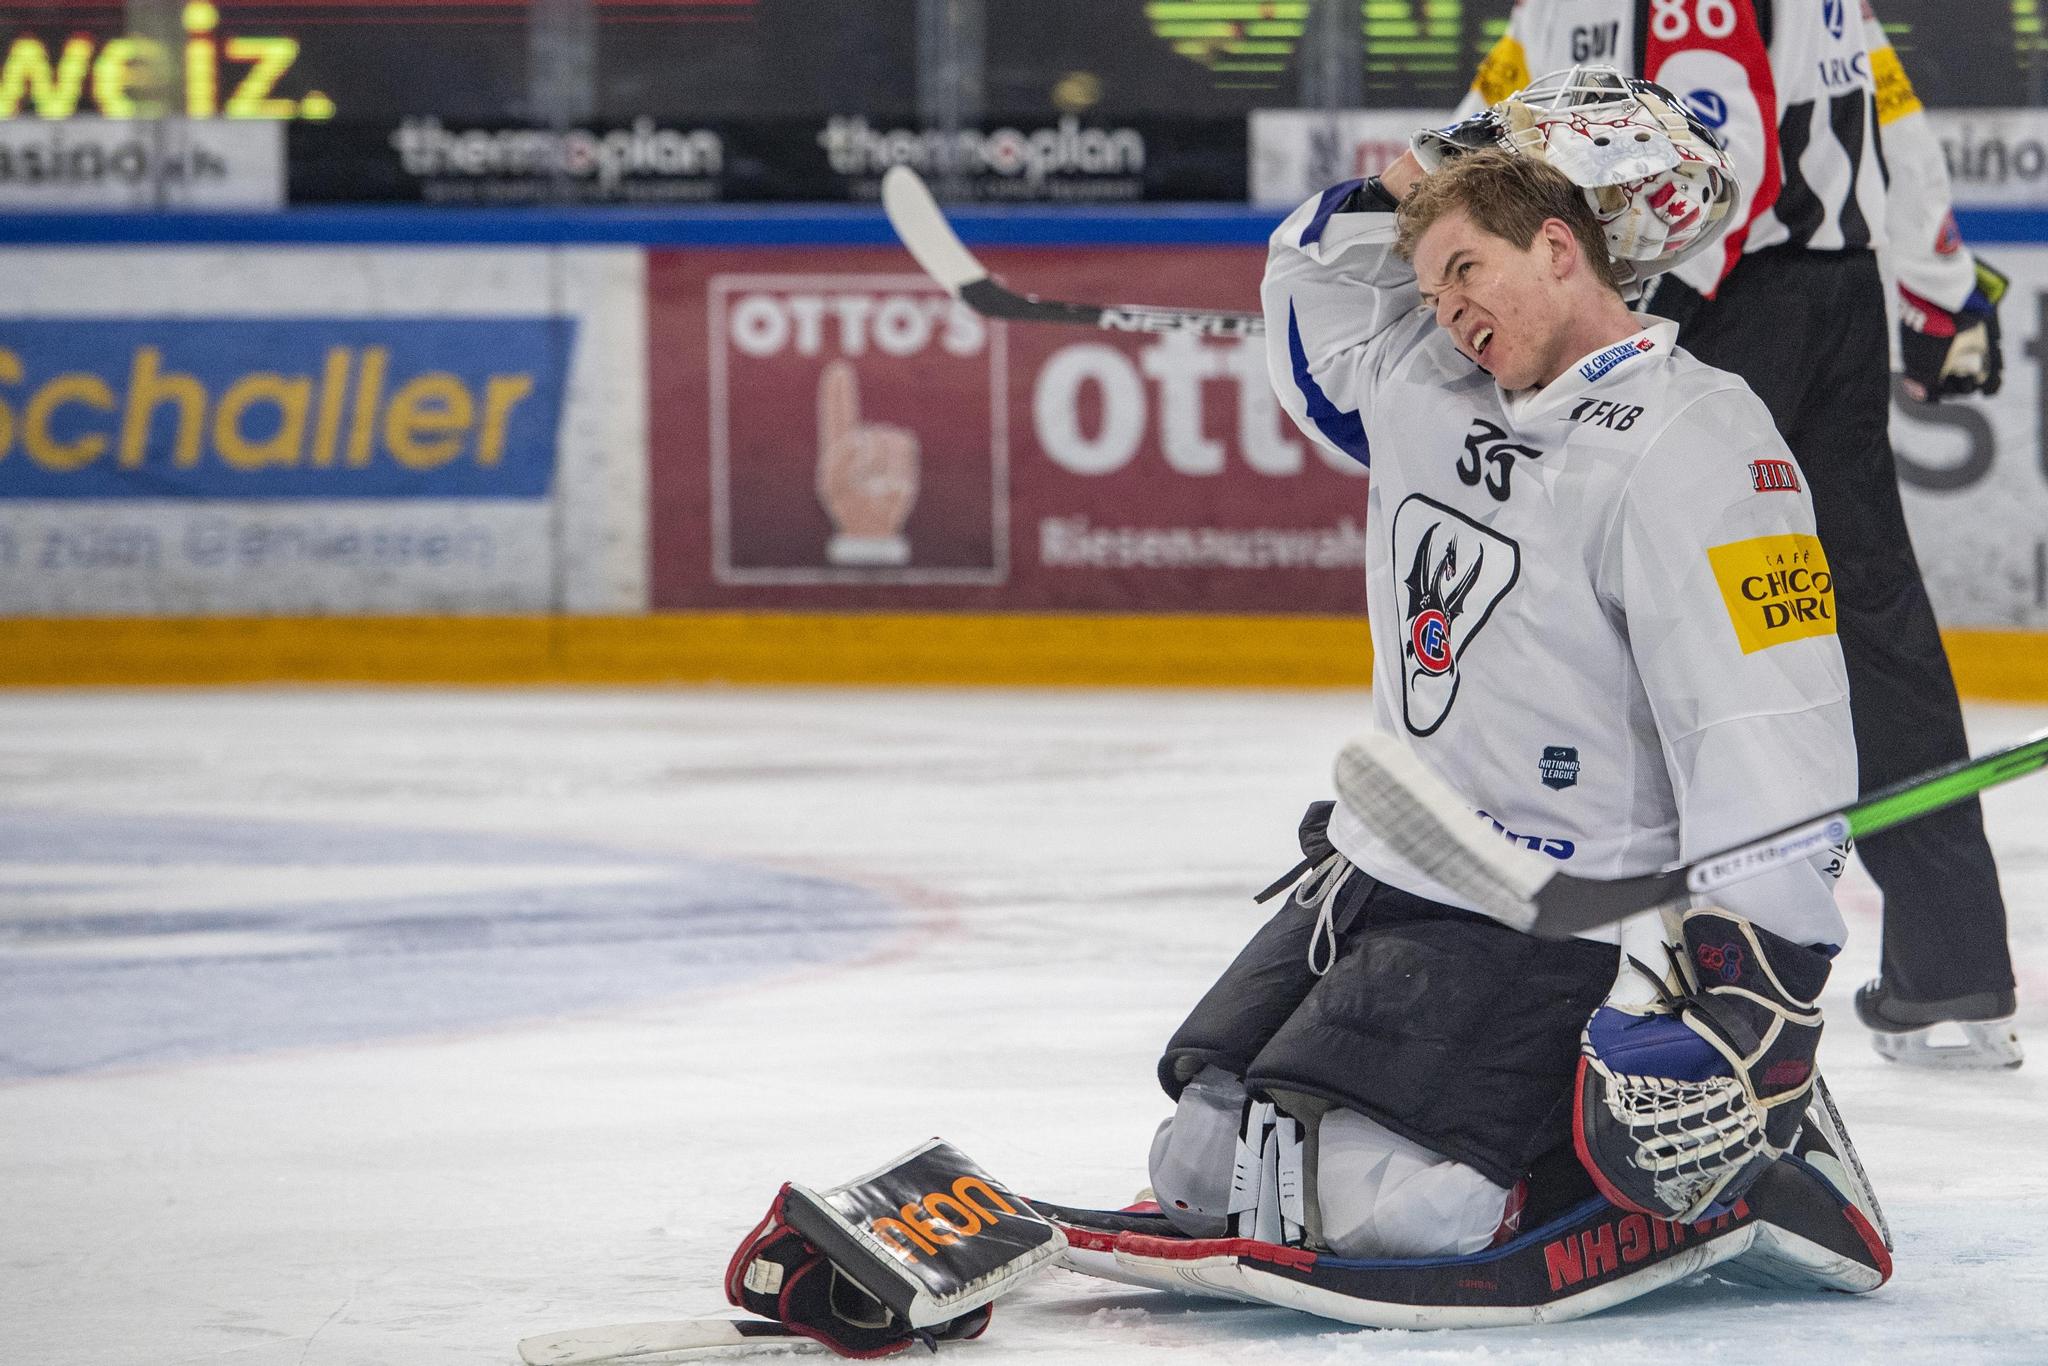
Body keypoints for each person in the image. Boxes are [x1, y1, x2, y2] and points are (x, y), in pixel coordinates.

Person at [1146, 72, 1860, 1258]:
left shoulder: (1700, 440)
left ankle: (1606, 1149)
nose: (1443, 312)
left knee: (1400, 1213)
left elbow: (1766, 718)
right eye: (1425, 290)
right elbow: (1312, 282)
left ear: (1559, 246)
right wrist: (1448, 163)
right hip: (1386, 870)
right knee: (1197, 1170)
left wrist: (1763, 981)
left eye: (1466, 271)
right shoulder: (1422, 382)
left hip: (1555, 910)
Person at [1457, 0, 2020, 1068]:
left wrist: (1644, 310)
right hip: (1834, 294)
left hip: (1724, 294)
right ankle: (1949, 975)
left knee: (1664, 622)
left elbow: (1726, 138)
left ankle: (1682, 964)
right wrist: (1942, 292)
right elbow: (1888, 120)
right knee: (1865, 618)